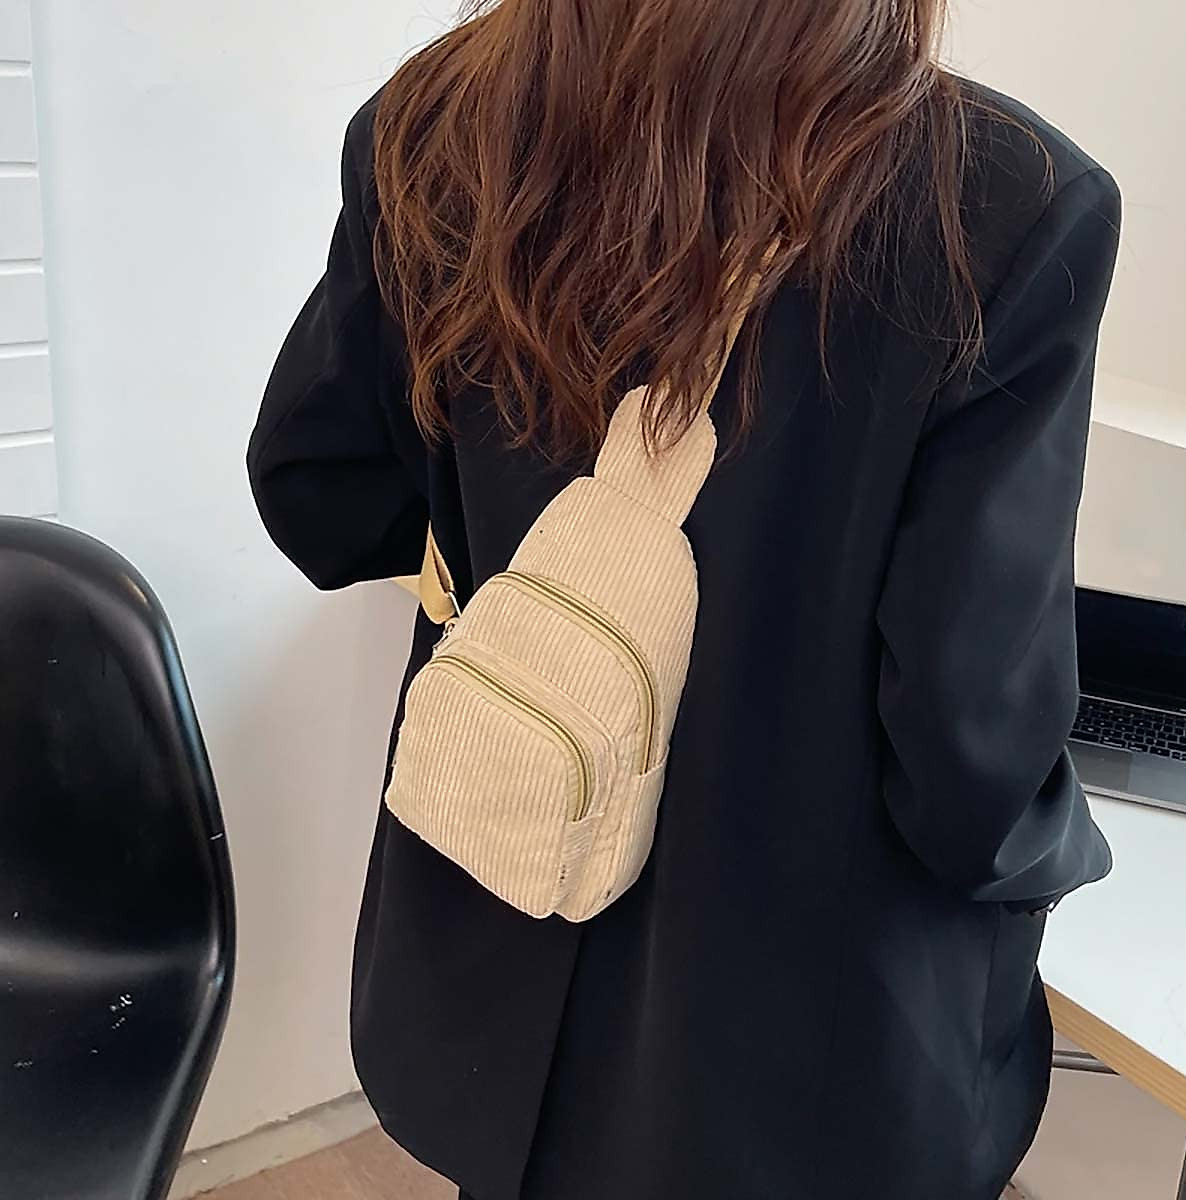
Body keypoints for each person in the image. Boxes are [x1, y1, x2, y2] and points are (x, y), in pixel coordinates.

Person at [248, 1, 1120, 1196]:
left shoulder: (437, 117)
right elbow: (967, 757)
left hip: (508, 964)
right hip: (808, 1059)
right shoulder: (1010, 201)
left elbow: (318, 492)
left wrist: (519, 562)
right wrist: (1062, 850)